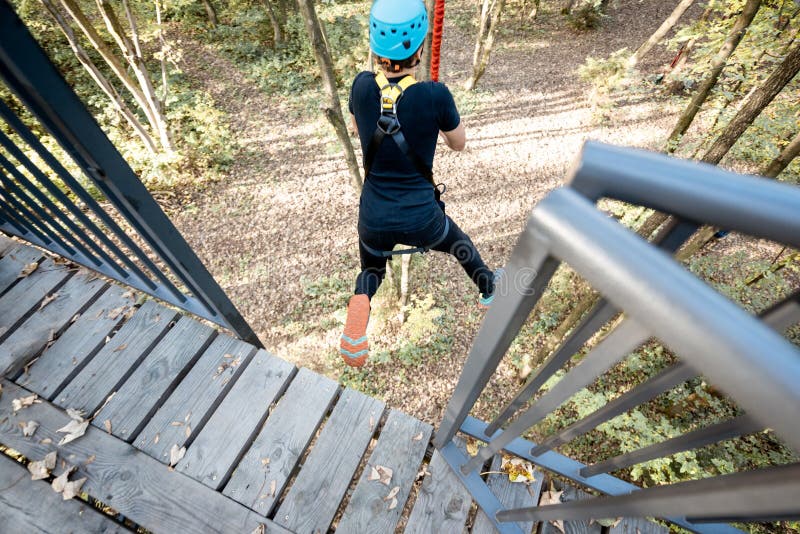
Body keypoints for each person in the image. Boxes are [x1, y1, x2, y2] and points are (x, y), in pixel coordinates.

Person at [339, 0, 497, 367]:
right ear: (420, 47)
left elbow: (353, 125)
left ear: (374, 47)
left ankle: (362, 299)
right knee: (459, 245)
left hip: (373, 217)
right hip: (421, 218)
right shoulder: (434, 95)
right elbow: (459, 143)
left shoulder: (362, 86)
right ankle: (488, 286)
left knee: (373, 270)